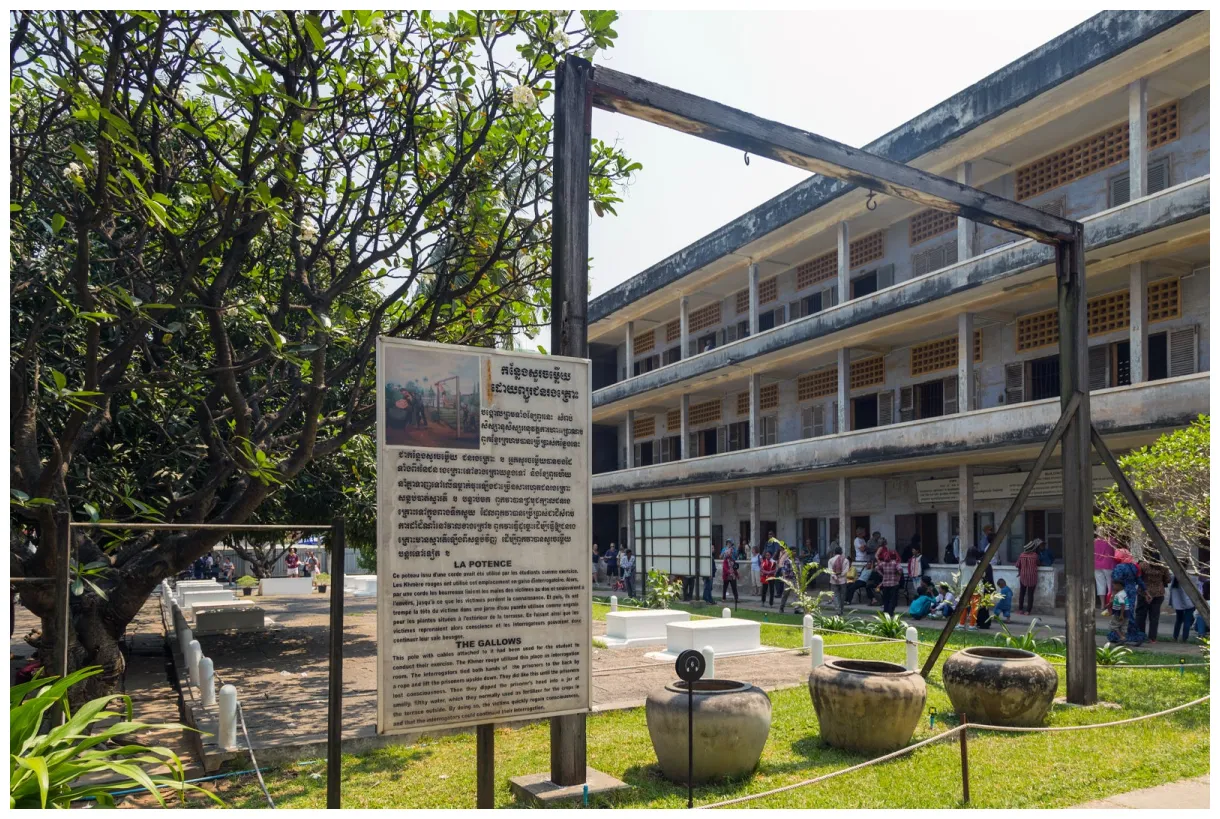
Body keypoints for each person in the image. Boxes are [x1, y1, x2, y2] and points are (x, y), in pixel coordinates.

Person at [1111, 548, 1146, 644]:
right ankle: (1120, 636)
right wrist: (1146, 592)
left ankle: (1135, 636)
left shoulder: (1119, 568)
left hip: (1122, 593)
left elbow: (1116, 582)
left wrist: (1112, 595)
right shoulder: (1134, 567)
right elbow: (1139, 581)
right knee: (1128, 613)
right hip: (1131, 592)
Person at [1135, 558, 1170, 642]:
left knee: (1140, 615)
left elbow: (1138, 577)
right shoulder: (1163, 567)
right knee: (1154, 616)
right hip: (1158, 593)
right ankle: (1152, 638)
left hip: (1143, 592)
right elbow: (1168, 580)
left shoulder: (1142, 565)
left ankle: (1140, 636)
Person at [1168, 573, 1198, 643]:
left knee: (1178, 620)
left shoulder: (1174, 577)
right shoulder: (1191, 576)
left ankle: (1175, 637)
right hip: (1189, 603)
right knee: (1187, 621)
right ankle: (1184, 638)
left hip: (1178, 604)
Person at [1015, 539, 1041, 615]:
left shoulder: (1021, 555)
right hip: (1032, 577)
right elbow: (1038, 563)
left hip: (1023, 576)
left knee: (1022, 593)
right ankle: (1028, 611)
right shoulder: (1035, 556)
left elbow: (1018, 565)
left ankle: (1020, 609)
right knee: (1030, 594)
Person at [877, 548, 902, 615]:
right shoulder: (895, 563)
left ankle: (885, 611)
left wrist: (883, 574)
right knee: (892, 599)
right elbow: (900, 570)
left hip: (885, 583)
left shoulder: (883, 563)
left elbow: (877, 568)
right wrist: (897, 575)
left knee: (886, 599)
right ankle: (891, 612)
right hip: (894, 583)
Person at [1093, 537, 1116, 606]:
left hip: (1097, 564)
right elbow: (1116, 551)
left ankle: (1102, 604)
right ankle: (1110, 603)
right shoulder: (1111, 540)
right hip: (1108, 564)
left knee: (1100, 585)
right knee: (1110, 585)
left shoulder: (1094, 541)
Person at [828, 546, 850, 615]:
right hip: (842, 581)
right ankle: (841, 610)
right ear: (841, 552)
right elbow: (845, 571)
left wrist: (835, 577)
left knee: (835, 595)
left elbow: (830, 571)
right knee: (842, 596)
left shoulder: (831, 560)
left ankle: (838, 610)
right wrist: (840, 576)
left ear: (834, 552)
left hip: (834, 581)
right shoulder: (845, 560)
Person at [1107, 578, 1130, 643]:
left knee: (1113, 625)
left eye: (1114, 586)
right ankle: (1123, 638)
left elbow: (1122, 605)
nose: (1113, 587)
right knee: (1124, 626)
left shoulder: (1119, 595)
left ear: (1119, 585)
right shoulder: (1123, 593)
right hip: (1126, 612)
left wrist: (1121, 615)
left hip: (1119, 612)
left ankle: (1122, 637)